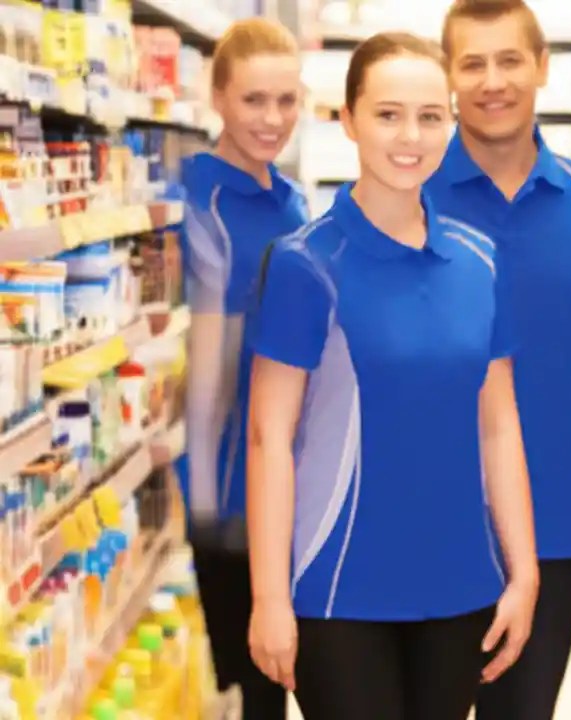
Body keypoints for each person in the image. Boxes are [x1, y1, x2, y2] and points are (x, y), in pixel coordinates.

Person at [243, 32, 538, 720]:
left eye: (431, 116)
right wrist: (269, 598)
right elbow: (268, 439)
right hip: (339, 589)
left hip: (461, 583)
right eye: (388, 114)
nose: (411, 136)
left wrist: (522, 571)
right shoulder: (305, 264)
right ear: (347, 120)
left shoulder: (480, 260)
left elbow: (498, 425)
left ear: (453, 122)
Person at [423, 2, 571, 717]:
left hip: (555, 515)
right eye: (473, 62)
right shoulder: (410, 192)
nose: (493, 81)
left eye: (510, 59)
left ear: (542, 66)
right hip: (424, 514)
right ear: (449, 77)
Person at [178, 17, 308, 720]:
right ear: (218, 96)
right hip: (224, 503)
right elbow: (206, 375)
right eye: (254, 100)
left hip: (284, 484)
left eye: (286, 101)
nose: (272, 119)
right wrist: (203, 509)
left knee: (274, 687)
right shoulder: (196, 198)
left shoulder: (292, 201)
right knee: (244, 691)